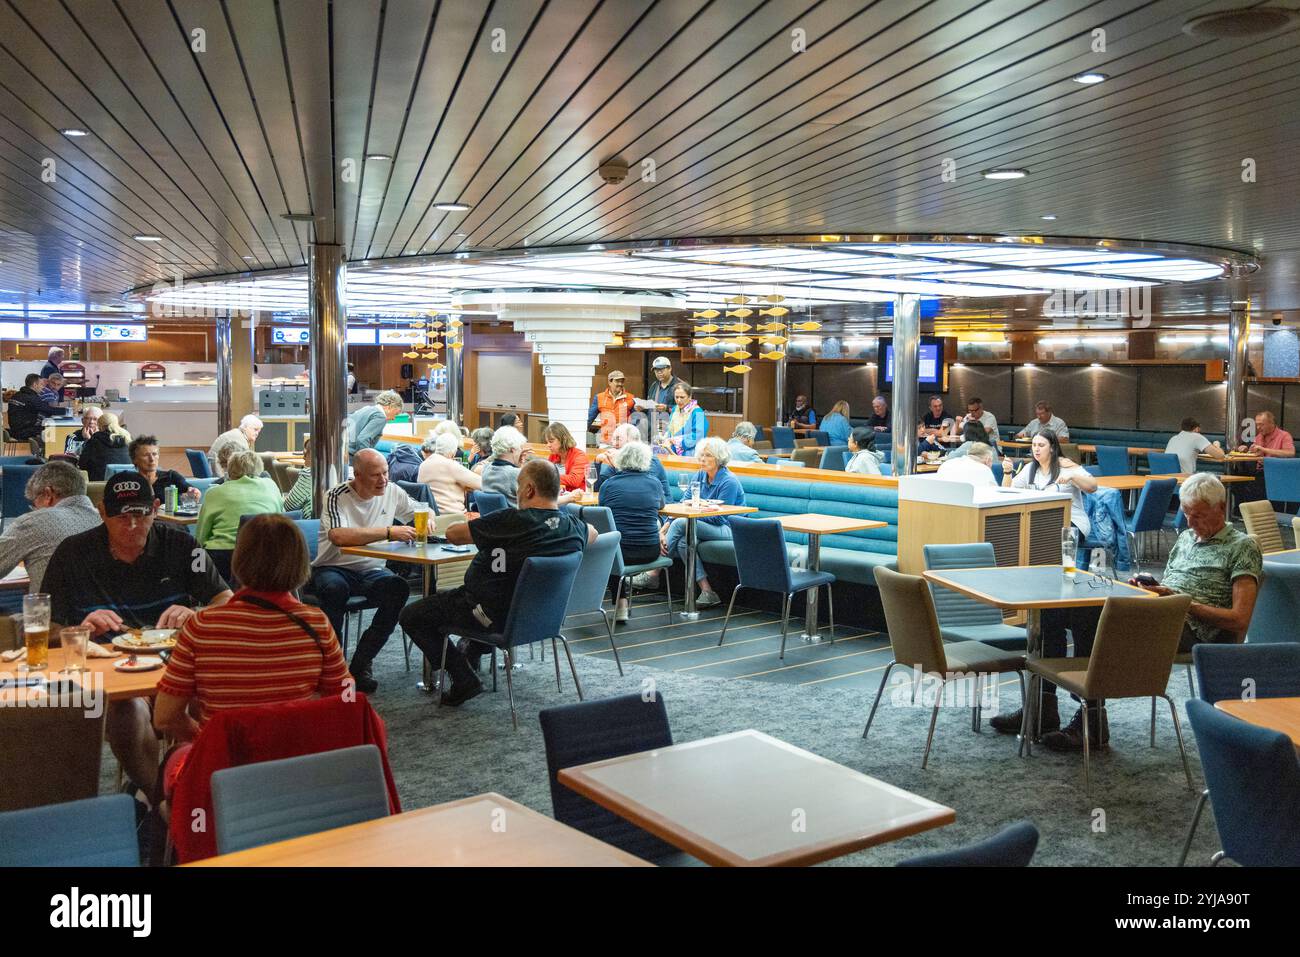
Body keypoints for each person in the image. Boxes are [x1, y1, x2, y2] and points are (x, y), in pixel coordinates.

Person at [991, 473, 1261, 751]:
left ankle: (1092, 721)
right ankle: (1042, 707)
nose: (1191, 524)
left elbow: (1240, 618)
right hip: (1159, 611)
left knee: (1091, 615)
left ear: (1221, 508)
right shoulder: (1186, 539)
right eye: (1186, 515)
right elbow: (1169, 585)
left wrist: (1181, 602)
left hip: (1193, 629)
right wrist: (1151, 588)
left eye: (1199, 516)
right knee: (1055, 608)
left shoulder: (1242, 546)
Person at [43, 472, 233, 796]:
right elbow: (45, 630)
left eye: (140, 515)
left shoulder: (183, 545)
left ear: (156, 508)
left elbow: (226, 601)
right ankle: (163, 800)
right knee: (128, 711)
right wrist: (80, 630)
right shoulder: (72, 553)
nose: (132, 526)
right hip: (110, 669)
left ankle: (195, 794)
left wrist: (195, 613)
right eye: (121, 517)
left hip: (175, 663)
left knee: (212, 698)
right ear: (102, 513)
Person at [399, 459, 594, 706]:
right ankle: (471, 650)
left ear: (529, 490)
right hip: (540, 617)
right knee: (465, 601)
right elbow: (594, 534)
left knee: (412, 615)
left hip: (487, 613)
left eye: (519, 485)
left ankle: (462, 677)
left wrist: (491, 530)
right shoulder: (573, 526)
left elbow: (453, 535)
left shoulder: (511, 520)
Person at [153, 513, 350, 740]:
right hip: (297, 763)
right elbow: (345, 695)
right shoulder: (316, 623)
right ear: (301, 562)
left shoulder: (202, 627)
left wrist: (203, 740)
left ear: (238, 561)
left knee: (174, 760)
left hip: (224, 766)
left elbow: (165, 717)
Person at [310, 448, 419, 693]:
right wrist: (388, 531)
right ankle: (333, 665)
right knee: (333, 589)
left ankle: (360, 663)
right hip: (333, 567)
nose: (383, 480)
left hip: (371, 569)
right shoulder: (337, 495)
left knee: (398, 588)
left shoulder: (392, 491)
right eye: (375, 475)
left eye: (385, 473)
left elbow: (419, 510)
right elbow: (339, 536)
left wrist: (429, 516)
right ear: (357, 476)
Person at [656, 436, 745, 607]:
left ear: (719, 458)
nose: (703, 459)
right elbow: (682, 504)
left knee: (683, 524)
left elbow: (720, 518)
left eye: (708, 455)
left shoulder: (729, 481)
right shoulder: (699, 476)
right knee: (684, 541)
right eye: (701, 455)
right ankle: (707, 591)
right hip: (705, 526)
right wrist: (664, 529)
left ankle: (654, 571)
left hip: (730, 529)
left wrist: (697, 510)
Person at [0, 462, 100, 607]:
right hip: (110, 619)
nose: (34, 510)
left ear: (48, 494)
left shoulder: (34, 521)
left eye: (34, 505)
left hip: (52, 621)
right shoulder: (108, 520)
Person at [195, 449, 284, 584]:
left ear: (230, 471)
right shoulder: (271, 486)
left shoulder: (214, 492)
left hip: (223, 556)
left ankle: (198, 596)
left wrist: (197, 568)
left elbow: (201, 536)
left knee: (196, 555)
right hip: (264, 556)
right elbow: (281, 518)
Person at [599, 441, 665, 623]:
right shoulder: (655, 484)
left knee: (611, 546)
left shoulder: (609, 484)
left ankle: (620, 604)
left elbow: (603, 510)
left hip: (620, 553)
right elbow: (661, 506)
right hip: (650, 550)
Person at [1003, 430, 1098, 540]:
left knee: (1037, 534)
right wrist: (1007, 472)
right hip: (1042, 522)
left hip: (1072, 523)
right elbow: (1007, 493)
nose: (1036, 449)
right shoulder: (1030, 468)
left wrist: (1073, 476)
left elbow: (1093, 487)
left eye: (1041, 445)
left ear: (1052, 448)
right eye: (1034, 445)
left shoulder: (1065, 465)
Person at [1234, 410, 1295, 509]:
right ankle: (1240, 515)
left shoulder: (1284, 436)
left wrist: (1263, 449)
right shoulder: (1259, 436)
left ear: (1271, 423)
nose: (1258, 428)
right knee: (1237, 482)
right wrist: (1247, 450)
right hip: (1259, 472)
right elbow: (1256, 453)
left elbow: (1290, 453)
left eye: (1261, 425)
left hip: (1276, 473)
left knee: (1254, 487)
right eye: (1257, 425)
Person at [594, 423, 672, 499]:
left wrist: (617, 466)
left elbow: (641, 490)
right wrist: (597, 463)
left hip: (662, 508)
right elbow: (597, 489)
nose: (614, 443)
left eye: (619, 439)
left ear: (633, 441)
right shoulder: (619, 459)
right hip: (628, 505)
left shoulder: (650, 460)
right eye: (613, 439)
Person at [418, 432, 482, 514]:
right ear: (454, 452)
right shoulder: (451, 465)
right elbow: (481, 484)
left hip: (430, 517)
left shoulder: (423, 465)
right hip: (453, 517)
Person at [6, 372, 67, 457]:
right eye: (41, 385)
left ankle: (44, 453)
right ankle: (48, 456)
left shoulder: (17, 395)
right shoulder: (31, 398)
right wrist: (67, 411)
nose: (43, 388)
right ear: (35, 385)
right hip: (23, 431)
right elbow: (48, 409)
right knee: (52, 431)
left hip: (14, 429)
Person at [130, 434, 199, 505]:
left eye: (154, 454)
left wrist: (194, 492)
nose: (152, 459)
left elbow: (189, 488)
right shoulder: (130, 483)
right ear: (134, 459)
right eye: (146, 455)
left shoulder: (171, 476)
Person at [480, 425, 528, 506]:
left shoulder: (486, 469)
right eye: (520, 448)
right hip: (515, 517)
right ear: (513, 450)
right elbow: (537, 499)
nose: (521, 451)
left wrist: (519, 466)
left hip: (492, 518)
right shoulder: (515, 474)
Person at [78, 411, 132, 481]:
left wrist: (87, 440)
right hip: (127, 481)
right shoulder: (128, 438)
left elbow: (82, 464)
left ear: (100, 426)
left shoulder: (96, 439)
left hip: (100, 484)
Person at [347, 390, 403, 454]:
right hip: (352, 456)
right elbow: (363, 439)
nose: (393, 418)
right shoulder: (380, 417)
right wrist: (366, 461)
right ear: (390, 407)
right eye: (395, 413)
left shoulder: (366, 409)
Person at [588, 370, 636, 445]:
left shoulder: (631, 398)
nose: (620, 384)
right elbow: (589, 418)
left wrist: (627, 426)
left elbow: (636, 419)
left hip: (624, 441)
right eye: (617, 381)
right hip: (605, 440)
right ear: (610, 382)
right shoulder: (599, 397)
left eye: (622, 381)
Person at [544, 422, 590, 493]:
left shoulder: (580, 456)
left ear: (563, 439)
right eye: (547, 442)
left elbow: (575, 480)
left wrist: (550, 478)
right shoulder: (553, 456)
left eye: (551, 441)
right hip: (558, 496)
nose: (548, 445)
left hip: (577, 498)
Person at [666, 382, 708, 456]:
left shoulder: (698, 412)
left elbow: (699, 435)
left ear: (689, 397)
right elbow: (670, 429)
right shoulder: (675, 409)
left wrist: (676, 441)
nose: (679, 400)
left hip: (690, 452)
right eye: (676, 397)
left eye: (682, 397)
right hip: (672, 450)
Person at [646, 357, 685, 437]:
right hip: (654, 431)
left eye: (662, 370)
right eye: (656, 371)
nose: (659, 373)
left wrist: (667, 408)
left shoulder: (680, 386)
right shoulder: (654, 386)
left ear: (670, 368)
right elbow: (650, 406)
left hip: (673, 431)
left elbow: (686, 409)